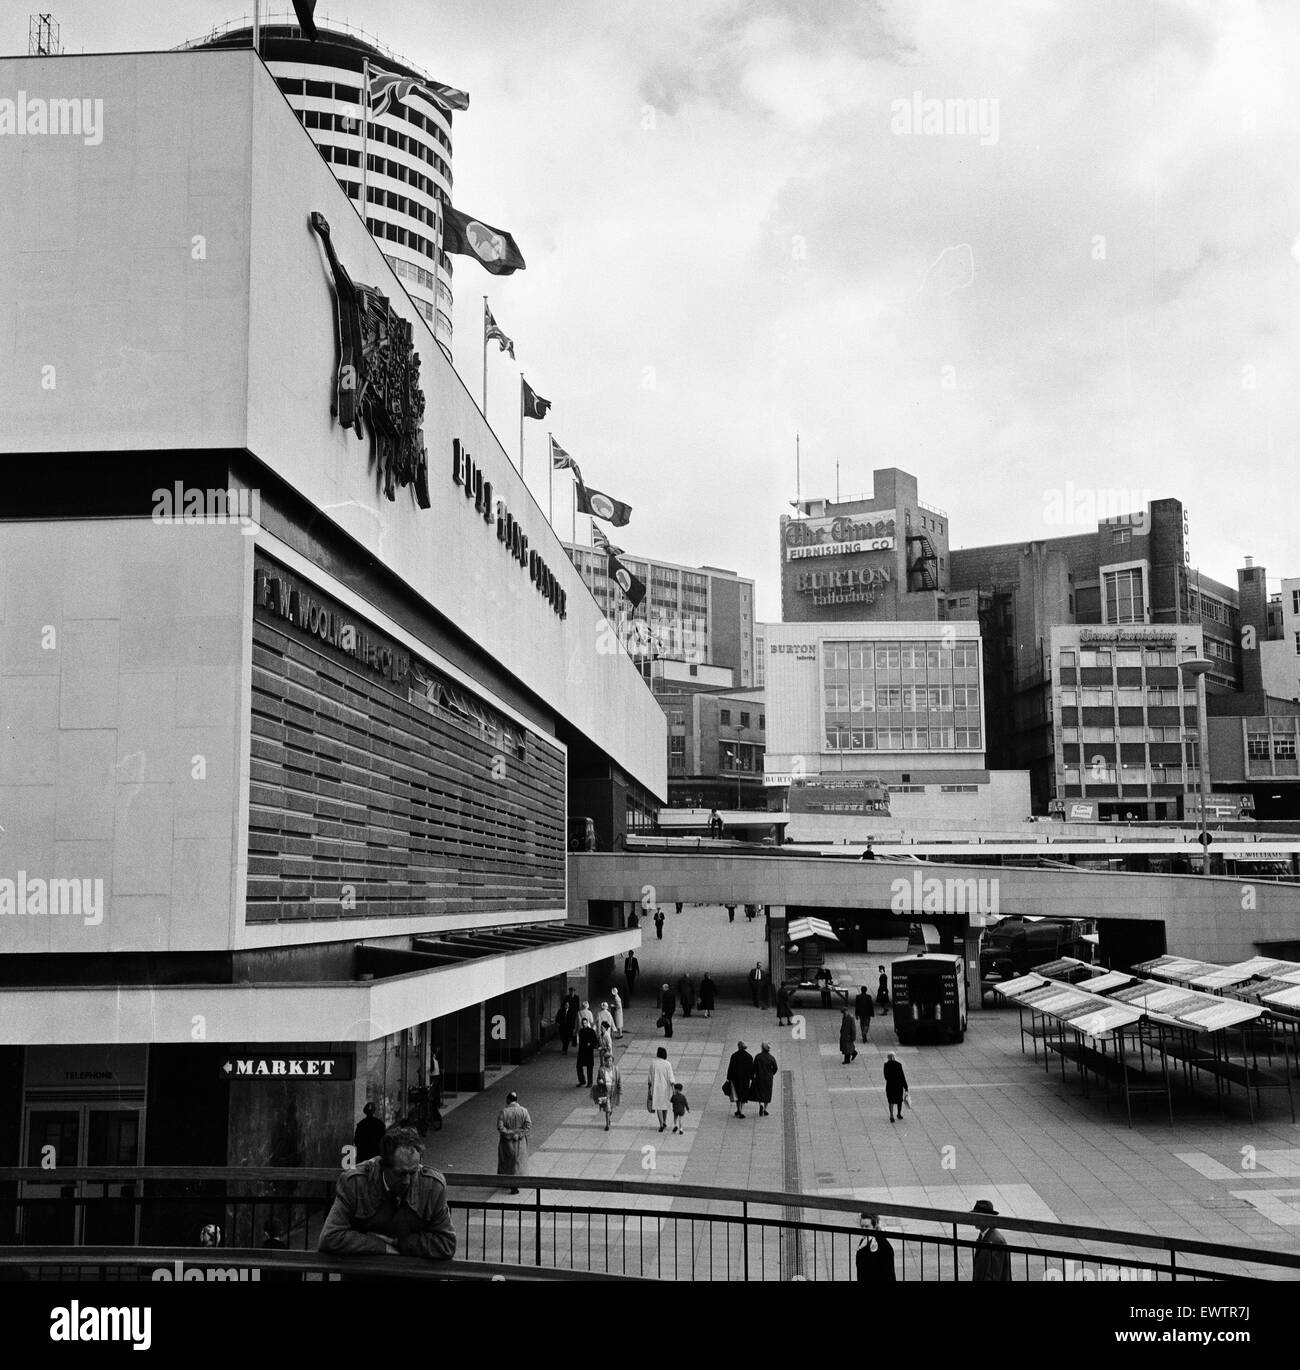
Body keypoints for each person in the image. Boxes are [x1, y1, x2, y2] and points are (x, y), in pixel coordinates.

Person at [319, 1125, 456, 1261]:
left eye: (413, 1172)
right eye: (400, 1174)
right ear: (383, 1165)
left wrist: (401, 1244)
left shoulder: (433, 1187)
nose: (407, 1181)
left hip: (412, 1273)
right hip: (366, 1272)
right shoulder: (355, 1183)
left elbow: (447, 1244)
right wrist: (380, 1246)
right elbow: (330, 1237)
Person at [496, 1091, 532, 1196]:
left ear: (508, 1100)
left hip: (507, 1142)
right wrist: (519, 1134)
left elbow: (500, 1127)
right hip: (520, 1141)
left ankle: (508, 1182)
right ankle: (516, 1182)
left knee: (508, 1161)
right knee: (518, 1161)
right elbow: (528, 1125)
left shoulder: (504, 1112)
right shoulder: (524, 1111)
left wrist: (509, 1133)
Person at [971, 1200, 1012, 1281]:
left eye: (978, 1216)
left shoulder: (996, 1241)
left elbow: (994, 1274)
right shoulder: (983, 1236)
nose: (974, 1219)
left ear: (987, 1218)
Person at [855, 1214, 896, 1281]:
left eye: (867, 1226)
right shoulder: (865, 1241)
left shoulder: (882, 1244)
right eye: (862, 1226)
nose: (864, 1229)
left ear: (874, 1227)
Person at [648, 1047, 675, 1133]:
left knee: (658, 1106)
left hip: (656, 1087)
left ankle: (661, 1124)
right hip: (666, 1087)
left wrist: (649, 1088)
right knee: (665, 1105)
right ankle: (665, 1121)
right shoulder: (668, 1064)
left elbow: (649, 1077)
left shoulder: (653, 1063)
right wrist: (673, 1088)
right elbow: (671, 1077)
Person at [727, 1041, 754, 1119]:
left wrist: (729, 1078)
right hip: (745, 1079)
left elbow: (730, 1068)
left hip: (736, 1078)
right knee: (743, 1094)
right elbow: (751, 1069)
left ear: (738, 1047)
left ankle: (738, 1109)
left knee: (737, 1094)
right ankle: (740, 1110)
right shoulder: (749, 1057)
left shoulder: (734, 1056)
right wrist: (752, 1078)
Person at [751, 1042, 778, 1117]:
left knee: (760, 1092)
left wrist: (752, 1076)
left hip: (759, 1077)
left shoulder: (758, 1057)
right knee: (767, 1093)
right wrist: (771, 1074)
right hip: (768, 1078)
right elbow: (775, 1068)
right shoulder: (771, 1058)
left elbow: (754, 1068)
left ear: (762, 1048)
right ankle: (765, 1109)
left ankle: (761, 1104)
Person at [883, 1052, 908, 1123]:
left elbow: (885, 1076)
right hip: (898, 1085)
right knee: (899, 1100)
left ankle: (891, 1116)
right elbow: (902, 1076)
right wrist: (906, 1087)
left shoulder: (886, 1065)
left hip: (890, 1085)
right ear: (894, 1057)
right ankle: (899, 1114)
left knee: (891, 1101)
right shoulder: (898, 1065)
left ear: (888, 1057)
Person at [576, 1020, 598, 1087]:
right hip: (582, 1051)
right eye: (583, 1023)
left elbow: (595, 1042)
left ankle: (589, 1082)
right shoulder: (581, 1031)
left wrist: (590, 1044)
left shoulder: (591, 1031)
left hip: (588, 1052)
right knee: (579, 1066)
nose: (584, 1024)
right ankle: (582, 1081)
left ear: (587, 1023)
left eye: (585, 1023)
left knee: (589, 1068)